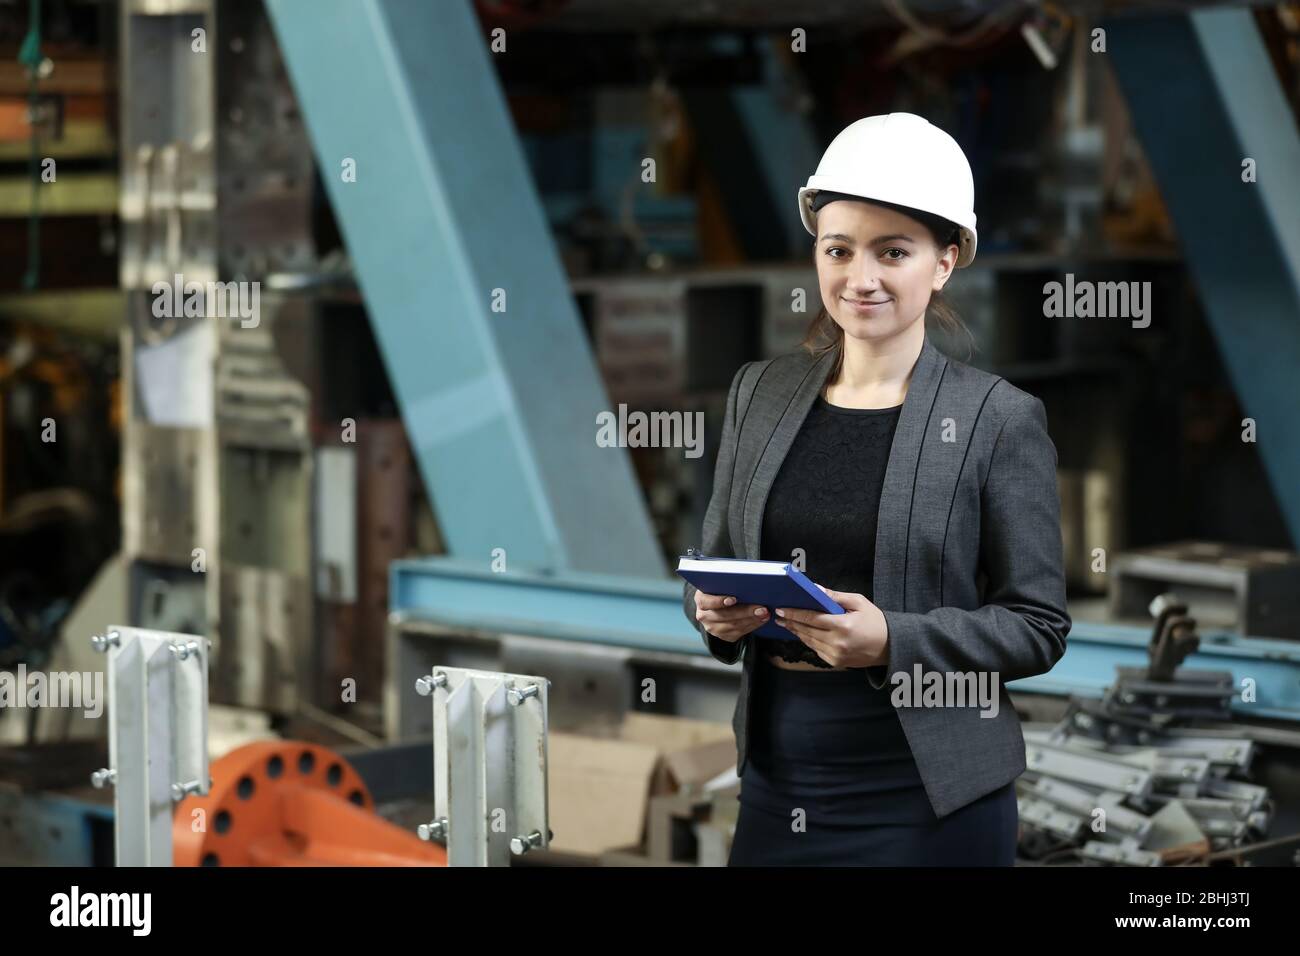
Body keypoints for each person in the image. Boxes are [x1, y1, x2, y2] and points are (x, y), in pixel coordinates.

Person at [682, 113, 1071, 866]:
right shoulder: (758, 393)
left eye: (894, 252)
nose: (861, 279)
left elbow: (1037, 625)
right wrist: (711, 616)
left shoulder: (997, 420)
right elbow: (715, 559)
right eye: (840, 250)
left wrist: (894, 639)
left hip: (929, 795)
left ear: (946, 260)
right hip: (778, 781)